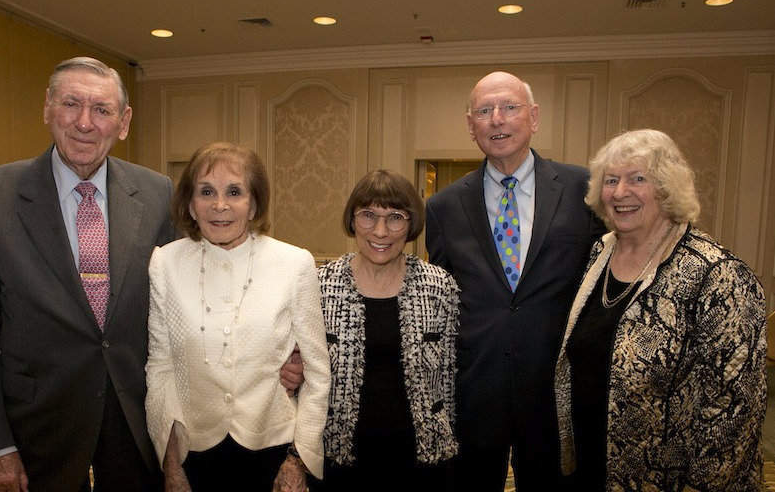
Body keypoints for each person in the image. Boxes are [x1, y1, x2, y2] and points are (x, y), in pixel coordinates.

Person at [0, 57, 177, 491]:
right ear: (47, 108)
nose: (84, 123)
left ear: (124, 122)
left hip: (135, 423)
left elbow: (186, 304)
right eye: (71, 103)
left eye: (102, 109)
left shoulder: (157, 192)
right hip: (35, 428)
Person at [554, 129, 767, 491]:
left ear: (667, 188)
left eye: (638, 179)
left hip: (669, 480)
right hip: (590, 467)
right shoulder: (599, 254)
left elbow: (734, 411)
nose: (620, 192)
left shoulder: (718, 275)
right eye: (611, 180)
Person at [425, 71, 605, 490]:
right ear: (470, 125)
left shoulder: (584, 189)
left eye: (509, 107)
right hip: (475, 389)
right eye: (484, 111)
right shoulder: (443, 206)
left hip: (555, 389)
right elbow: (442, 302)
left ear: (534, 117)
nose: (497, 119)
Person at [144, 141, 330, 492]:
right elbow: (160, 369)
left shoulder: (294, 264)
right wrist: (170, 464)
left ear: (253, 204)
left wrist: (298, 459)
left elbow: (319, 374)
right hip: (193, 454)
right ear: (190, 204)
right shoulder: (166, 263)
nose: (220, 205)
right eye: (206, 192)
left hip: (275, 452)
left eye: (234, 192)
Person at [309, 169, 460, 492]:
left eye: (395, 217)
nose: (380, 231)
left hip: (421, 460)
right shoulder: (320, 286)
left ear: (411, 224)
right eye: (368, 215)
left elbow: (449, 379)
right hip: (339, 457)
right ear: (352, 220)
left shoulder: (438, 286)